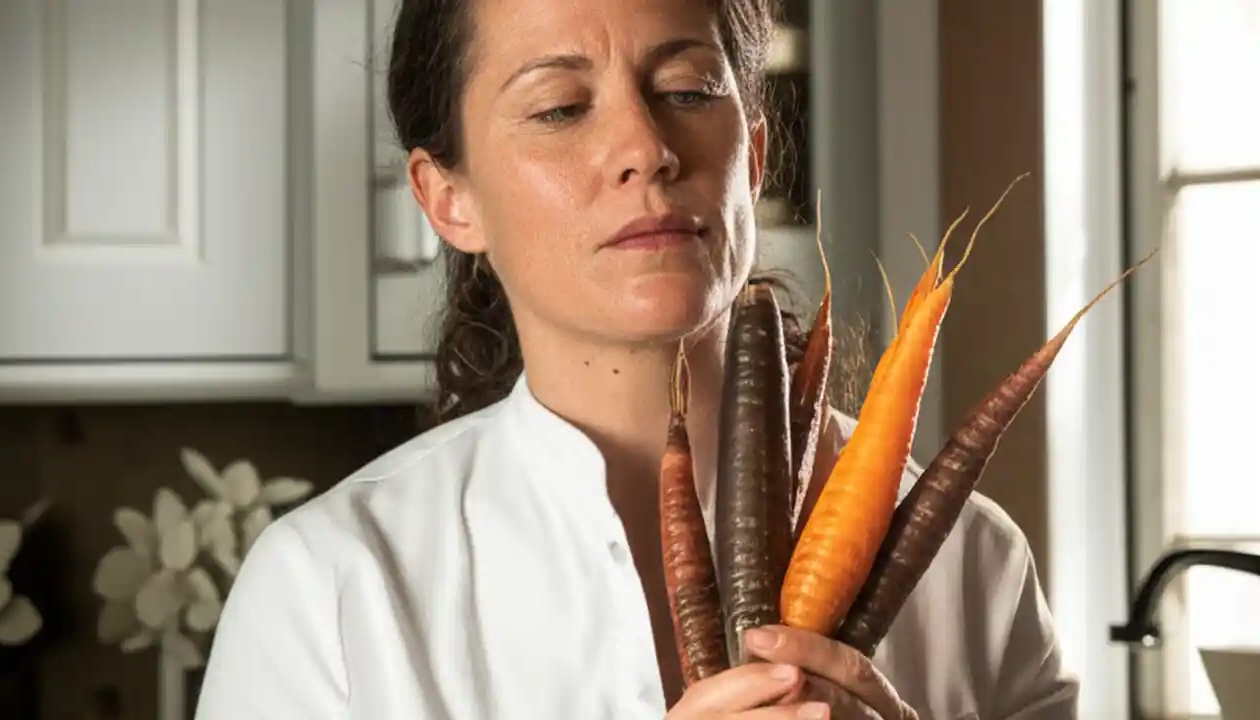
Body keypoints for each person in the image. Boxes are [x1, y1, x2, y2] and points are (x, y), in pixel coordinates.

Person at [195, 0, 1079, 717]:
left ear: (755, 155)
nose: (647, 151)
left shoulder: (971, 561)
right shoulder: (329, 588)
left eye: (690, 91)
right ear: (449, 198)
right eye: (560, 109)